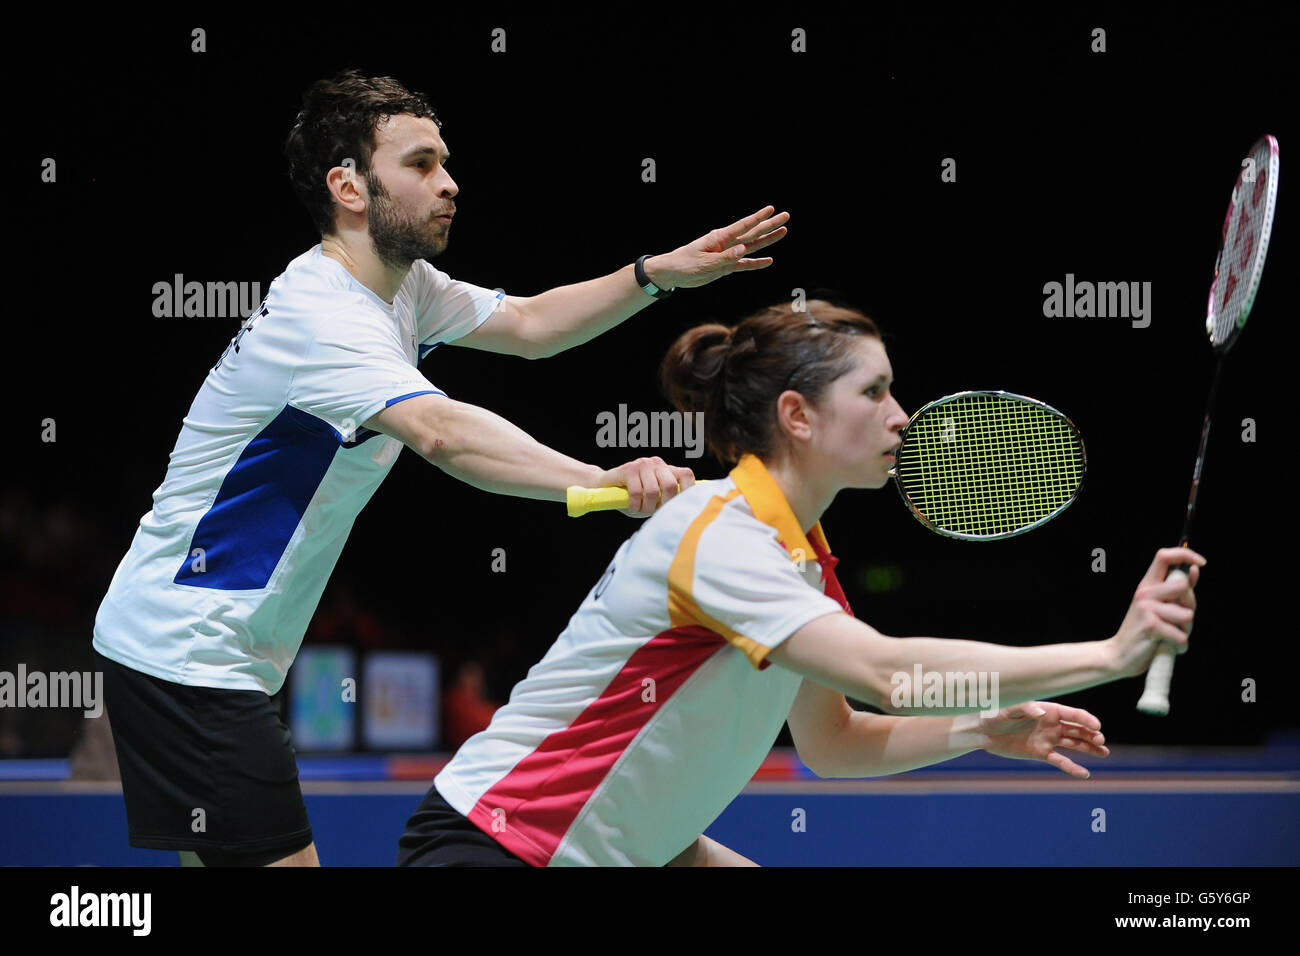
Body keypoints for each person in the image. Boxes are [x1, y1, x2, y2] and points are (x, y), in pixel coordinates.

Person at [90, 69, 790, 867]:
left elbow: (528, 324)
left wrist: (654, 274)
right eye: (421, 164)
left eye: (446, 162)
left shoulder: (403, 288)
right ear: (348, 186)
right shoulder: (323, 317)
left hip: (208, 651)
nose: (450, 184)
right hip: (189, 652)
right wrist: (603, 483)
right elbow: (441, 432)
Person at [396, 299, 1205, 867]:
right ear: (798, 415)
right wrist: (1110, 654)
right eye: (875, 391)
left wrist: (978, 731)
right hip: (500, 845)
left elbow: (834, 742)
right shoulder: (724, 539)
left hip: (617, 848)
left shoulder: (802, 560)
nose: (903, 415)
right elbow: (888, 675)